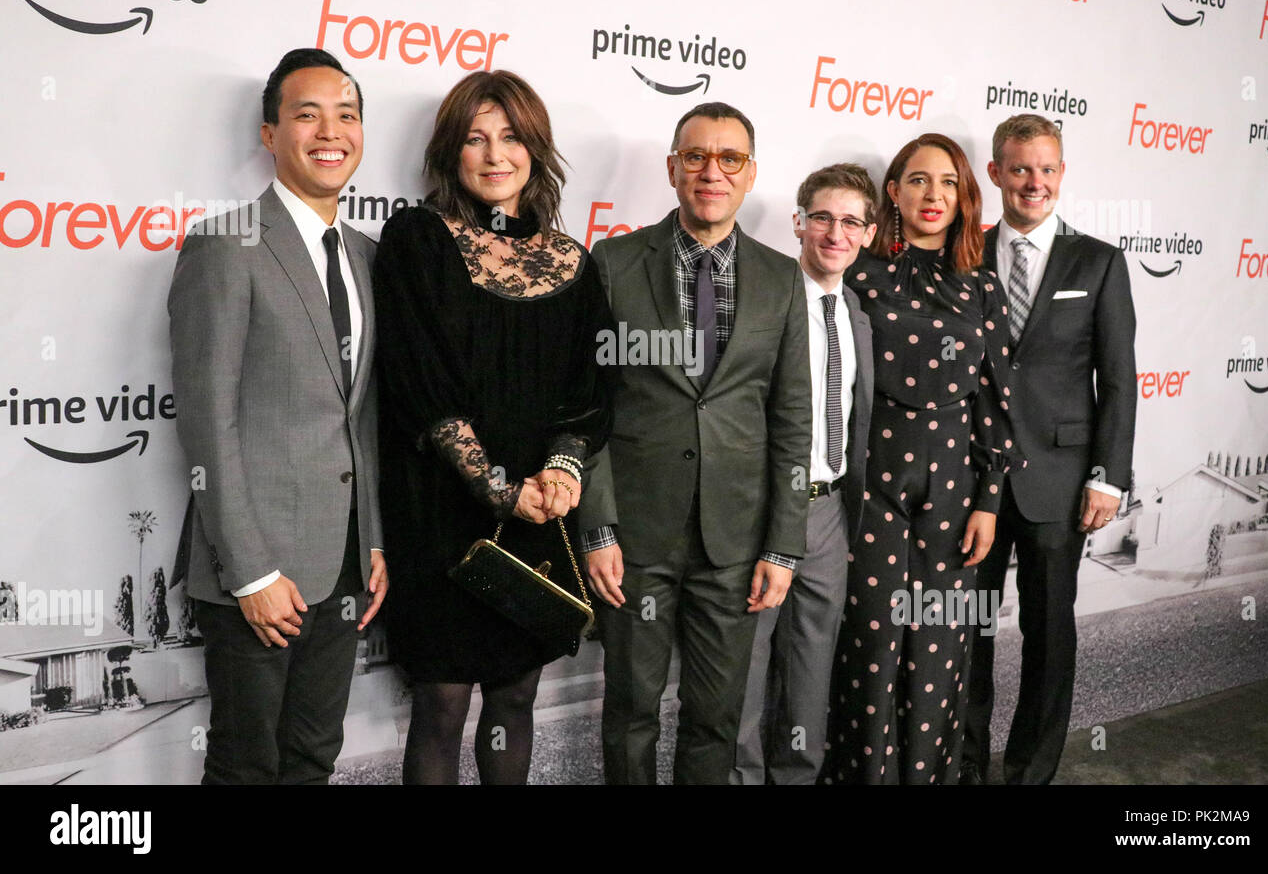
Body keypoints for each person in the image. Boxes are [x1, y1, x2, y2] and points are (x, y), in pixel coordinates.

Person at [373, 70, 615, 785]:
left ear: (535, 149)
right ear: (451, 152)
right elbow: (420, 382)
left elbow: (591, 389)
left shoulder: (572, 261)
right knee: (441, 705)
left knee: (515, 696)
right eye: (475, 138)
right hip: (441, 511)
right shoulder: (417, 238)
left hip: (539, 512)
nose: (495, 154)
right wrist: (498, 487)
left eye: (510, 137)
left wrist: (562, 470)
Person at [168, 47, 387, 784]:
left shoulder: (367, 256)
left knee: (313, 759)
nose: (331, 132)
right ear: (270, 133)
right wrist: (251, 572)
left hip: (345, 564)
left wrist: (373, 540)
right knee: (245, 767)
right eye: (307, 114)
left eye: (347, 115)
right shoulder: (225, 246)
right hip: (257, 573)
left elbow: (361, 417)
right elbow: (207, 422)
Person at [580, 101, 811, 785]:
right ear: (673, 168)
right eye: (697, 156)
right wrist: (597, 528)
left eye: (729, 158)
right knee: (631, 710)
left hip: (734, 543)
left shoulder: (781, 278)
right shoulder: (615, 262)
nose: (713, 171)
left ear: (750, 173)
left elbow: (792, 419)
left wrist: (783, 544)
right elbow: (589, 406)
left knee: (715, 717)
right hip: (635, 538)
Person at [822, 133, 1023, 785]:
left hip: (955, 494)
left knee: (938, 652)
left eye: (947, 182)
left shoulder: (982, 286)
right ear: (893, 192)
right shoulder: (858, 273)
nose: (932, 194)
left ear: (964, 197)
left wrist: (989, 500)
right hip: (870, 485)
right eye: (917, 180)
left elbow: (996, 398)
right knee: (871, 645)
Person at [962, 114, 1137, 785]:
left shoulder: (1098, 261)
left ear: (1061, 173)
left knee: (1049, 636)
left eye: (1047, 169)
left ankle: (1029, 774)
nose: (1034, 182)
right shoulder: (963, 252)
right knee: (965, 634)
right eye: (1020, 168)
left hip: (1059, 482)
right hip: (970, 481)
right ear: (996, 172)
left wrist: (1108, 477)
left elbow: (1118, 379)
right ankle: (964, 767)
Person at [733, 163, 876, 785]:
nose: (835, 234)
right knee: (741, 678)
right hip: (759, 511)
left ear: (869, 234)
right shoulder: (761, 299)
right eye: (822, 218)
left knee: (811, 681)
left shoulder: (856, 312)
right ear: (798, 222)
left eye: (850, 222)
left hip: (829, 513)